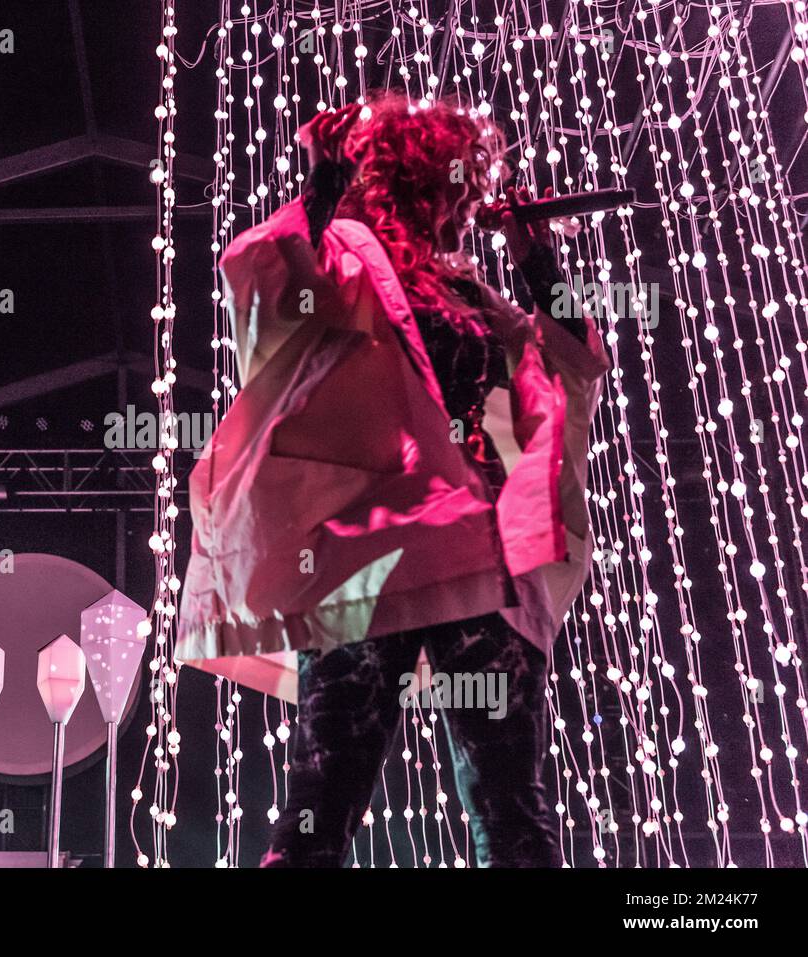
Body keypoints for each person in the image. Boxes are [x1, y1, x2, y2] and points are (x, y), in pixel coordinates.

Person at [175, 90, 610, 867]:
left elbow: (566, 360)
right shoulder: (343, 256)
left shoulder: (470, 293)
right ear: (423, 183)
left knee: (513, 806)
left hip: (474, 554)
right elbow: (266, 282)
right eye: (457, 185)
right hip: (361, 555)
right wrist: (320, 182)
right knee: (322, 800)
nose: (466, 203)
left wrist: (539, 260)